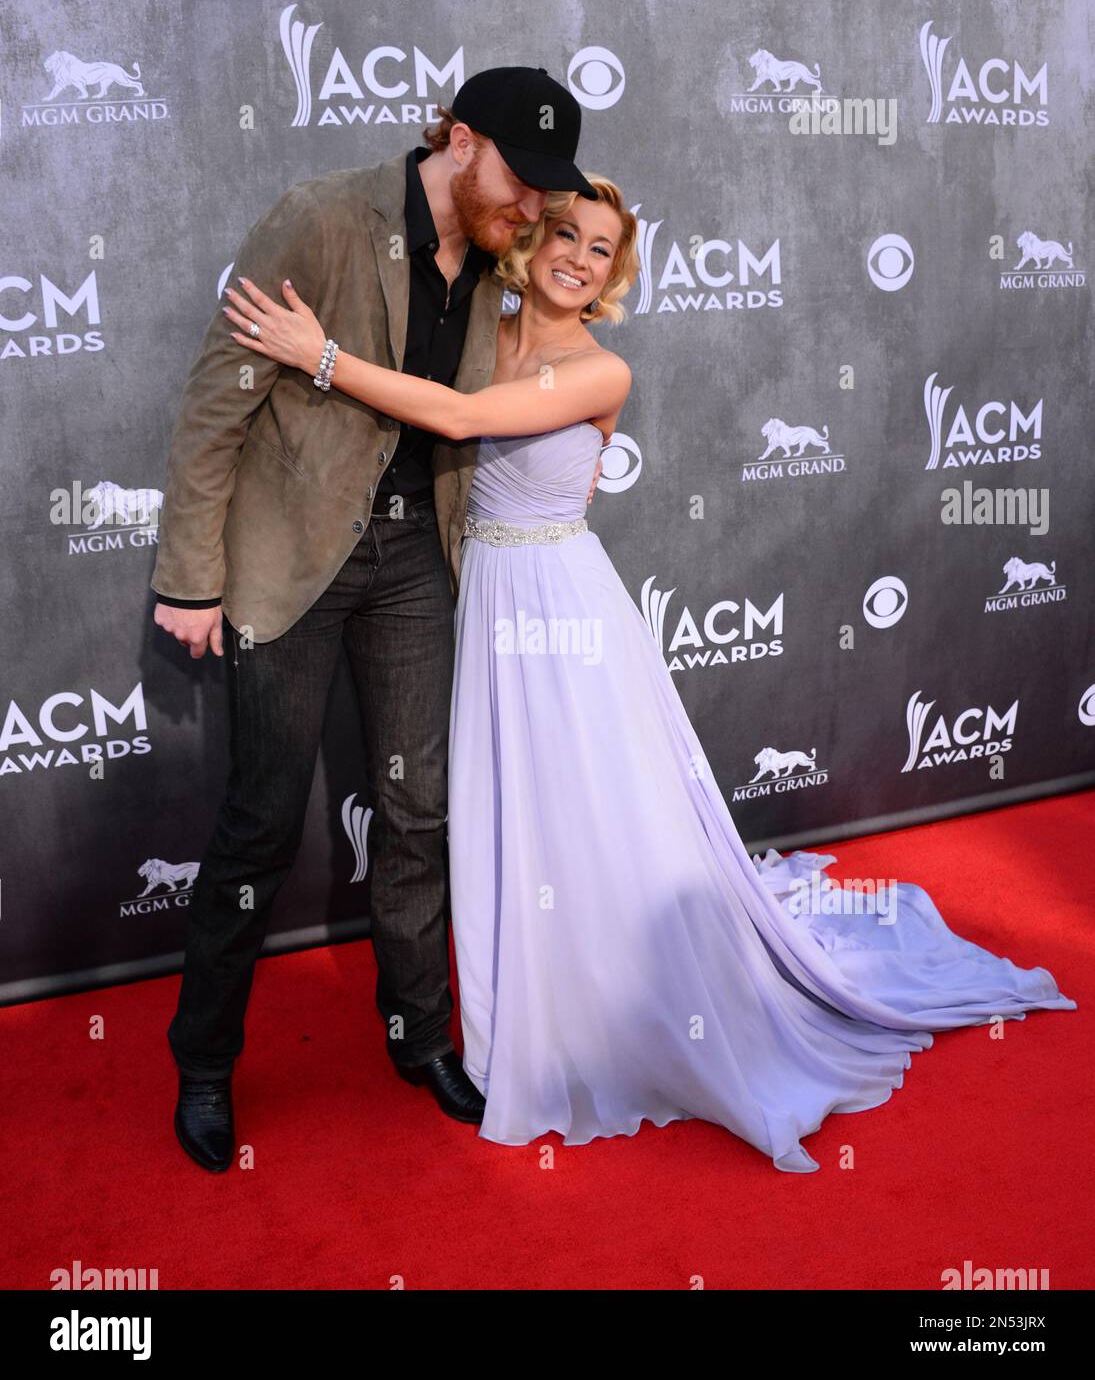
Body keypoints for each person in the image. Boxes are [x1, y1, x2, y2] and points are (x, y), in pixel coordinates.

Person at [224, 178, 1078, 1175]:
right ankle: (518, 1012)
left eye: (601, 249)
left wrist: (317, 357)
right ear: (535, 238)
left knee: (595, 815)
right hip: (490, 597)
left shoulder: (599, 370)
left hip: (563, 608)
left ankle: (610, 1016)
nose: (579, 258)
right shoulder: (485, 320)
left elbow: (456, 418)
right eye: (566, 235)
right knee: (515, 815)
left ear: (615, 272)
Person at [151, 66, 603, 1173]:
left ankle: (421, 1035)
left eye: (552, 191)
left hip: (414, 559)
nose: (536, 209)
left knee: (417, 808)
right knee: (262, 817)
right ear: (457, 139)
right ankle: (204, 1063)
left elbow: (511, 392)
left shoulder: (504, 260)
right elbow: (219, 400)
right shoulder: (323, 215)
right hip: (293, 557)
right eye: (521, 177)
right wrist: (188, 578)